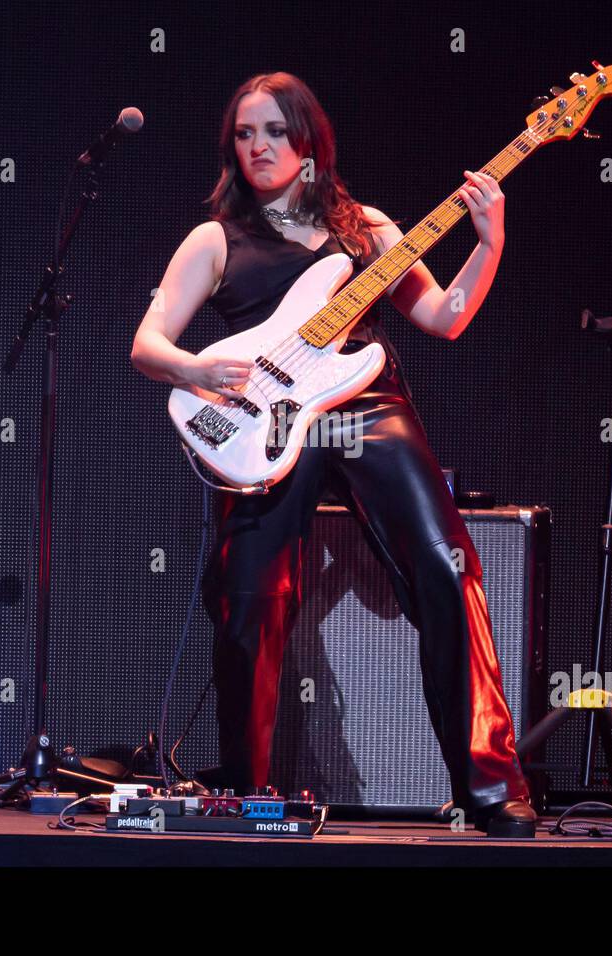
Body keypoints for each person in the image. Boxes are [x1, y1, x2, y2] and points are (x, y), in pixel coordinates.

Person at [131, 72, 535, 836]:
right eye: (245, 134)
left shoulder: (370, 229)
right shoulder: (216, 239)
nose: (258, 146)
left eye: (275, 131)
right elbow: (147, 345)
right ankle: (248, 798)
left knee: (447, 565)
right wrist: (195, 369)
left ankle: (491, 786)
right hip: (261, 418)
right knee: (250, 598)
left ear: (309, 141)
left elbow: (444, 319)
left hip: (362, 406)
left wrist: (491, 242)